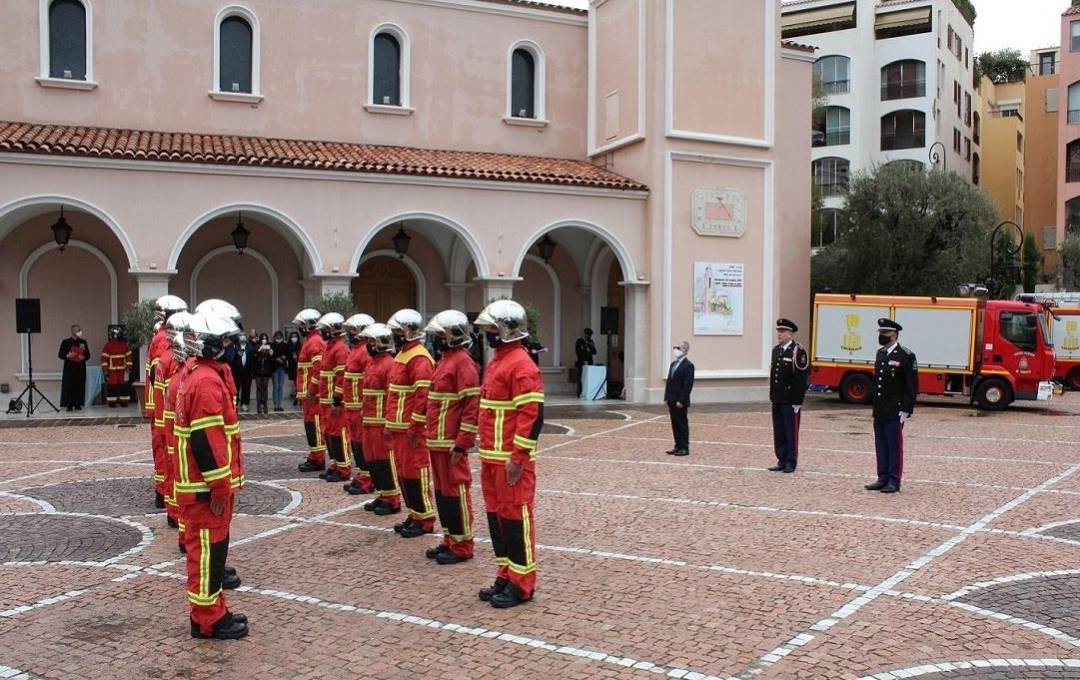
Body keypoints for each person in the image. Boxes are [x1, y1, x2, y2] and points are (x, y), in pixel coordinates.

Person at [174, 311, 248, 640]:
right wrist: (219, 487)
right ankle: (207, 620)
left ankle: (214, 607)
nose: (230, 346)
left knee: (213, 551)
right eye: (227, 341)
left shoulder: (201, 374)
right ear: (213, 345)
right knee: (206, 553)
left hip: (202, 486)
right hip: (206, 489)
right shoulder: (205, 380)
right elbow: (207, 441)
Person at [475, 299, 544, 608]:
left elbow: (532, 416)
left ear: (505, 330)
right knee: (498, 520)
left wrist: (518, 458)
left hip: (510, 462)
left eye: (491, 328)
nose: (487, 333)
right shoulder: (498, 361)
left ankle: (522, 584)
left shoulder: (521, 364)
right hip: (491, 458)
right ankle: (505, 573)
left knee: (516, 519)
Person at [423, 310, 481, 565]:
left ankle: (462, 544)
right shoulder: (444, 360)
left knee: (456, 492)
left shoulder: (463, 363)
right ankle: (450, 538)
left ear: (453, 336)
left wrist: (462, 443)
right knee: (443, 493)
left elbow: (471, 406)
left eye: (441, 334)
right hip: (437, 440)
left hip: (450, 444)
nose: (437, 338)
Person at [386, 309, 436, 539]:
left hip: (411, 430)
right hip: (399, 428)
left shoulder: (419, 358)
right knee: (404, 474)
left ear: (409, 331)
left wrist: (416, 428)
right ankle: (414, 513)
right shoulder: (402, 355)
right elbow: (395, 394)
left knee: (417, 472)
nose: (394, 335)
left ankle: (425, 518)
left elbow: (422, 397)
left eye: (398, 331)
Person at [865, 319, 918, 495]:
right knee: (881, 444)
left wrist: (906, 409)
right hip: (880, 408)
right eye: (880, 332)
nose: (881, 336)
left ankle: (894, 480)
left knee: (894, 445)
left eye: (885, 333)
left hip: (895, 409)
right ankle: (882, 477)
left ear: (894, 334)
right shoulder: (880, 353)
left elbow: (911, 385)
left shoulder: (906, 355)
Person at [148, 295, 189, 508]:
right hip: (166, 411)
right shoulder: (166, 341)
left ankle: (163, 493)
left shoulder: (159, 338)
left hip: (159, 409)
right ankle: (167, 496)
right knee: (169, 454)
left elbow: (153, 377)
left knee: (162, 452)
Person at [359, 323, 402, 516]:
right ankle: (383, 493)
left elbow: (391, 396)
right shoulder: (372, 362)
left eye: (371, 341)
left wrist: (388, 422)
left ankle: (393, 499)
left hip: (380, 422)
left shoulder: (388, 364)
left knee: (384, 460)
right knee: (373, 460)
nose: (368, 344)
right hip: (369, 420)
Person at [768, 319, 809, 474]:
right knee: (779, 431)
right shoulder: (776, 350)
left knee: (790, 432)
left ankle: (791, 461)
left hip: (790, 400)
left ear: (790, 334)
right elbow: (774, 376)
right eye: (778, 331)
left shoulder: (798, 351)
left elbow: (800, 378)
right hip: (777, 399)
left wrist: (798, 401)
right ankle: (781, 459)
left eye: (783, 331)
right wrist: (772, 396)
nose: (779, 334)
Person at [314, 313, 352, 483]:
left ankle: (344, 468)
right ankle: (335, 464)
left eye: (324, 329)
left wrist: (337, 399)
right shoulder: (330, 346)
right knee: (329, 434)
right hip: (325, 400)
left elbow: (341, 377)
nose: (322, 332)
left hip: (334, 402)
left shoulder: (341, 349)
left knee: (338, 434)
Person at [342, 313, 376, 496]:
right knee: (356, 443)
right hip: (352, 405)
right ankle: (363, 475)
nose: (350, 333)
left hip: (360, 406)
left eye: (354, 330)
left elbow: (369, 380)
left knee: (363, 443)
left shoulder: (364, 351)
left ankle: (368, 478)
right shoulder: (356, 349)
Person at [294, 309, 327, 472]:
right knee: (310, 425)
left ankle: (318, 458)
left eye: (301, 324)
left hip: (312, 395)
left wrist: (312, 391)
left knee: (314, 425)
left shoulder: (314, 342)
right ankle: (315, 454)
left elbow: (318, 368)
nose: (299, 327)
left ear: (308, 324)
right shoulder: (311, 340)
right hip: (307, 394)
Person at [664, 340, 694, 457]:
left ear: (685, 351)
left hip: (680, 400)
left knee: (682, 423)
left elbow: (687, 386)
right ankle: (677, 445)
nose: (676, 350)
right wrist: (666, 397)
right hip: (672, 399)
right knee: (674, 423)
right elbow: (669, 382)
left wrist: (681, 400)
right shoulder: (673, 364)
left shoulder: (688, 366)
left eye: (679, 348)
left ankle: (684, 447)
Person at [58, 324, 90, 411]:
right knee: (69, 386)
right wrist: (68, 356)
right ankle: (69, 405)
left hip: (80, 368)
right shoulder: (65, 342)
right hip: (69, 369)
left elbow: (88, 355)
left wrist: (83, 357)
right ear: (72, 331)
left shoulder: (83, 342)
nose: (79, 332)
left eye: (80, 330)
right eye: (77, 330)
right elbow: (60, 354)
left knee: (79, 385)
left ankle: (78, 404)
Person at [100, 326, 133, 407]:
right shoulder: (108, 345)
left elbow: (128, 357)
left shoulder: (124, 345)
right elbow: (104, 358)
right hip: (112, 370)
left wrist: (128, 367)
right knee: (112, 386)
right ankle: (112, 402)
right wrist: (105, 369)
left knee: (123, 386)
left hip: (123, 369)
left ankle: (123, 401)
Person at [230, 334, 254, 412]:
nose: (242, 337)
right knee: (236, 389)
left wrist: (251, 372)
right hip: (237, 372)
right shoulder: (235, 346)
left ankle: (244, 404)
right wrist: (237, 355)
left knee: (246, 389)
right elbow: (231, 359)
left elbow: (252, 359)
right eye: (241, 335)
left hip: (247, 372)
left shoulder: (249, 346)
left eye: (244, 335)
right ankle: (235, 404)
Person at [252, 333, 276, 415]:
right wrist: (259, 351)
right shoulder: (257, 346)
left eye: (265, 338)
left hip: (266, 370)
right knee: (259, 388)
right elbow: (253, 357)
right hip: (258, 371)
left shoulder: (270, 346)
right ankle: (259, 406)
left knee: (264, 388)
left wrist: (271, 353)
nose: (264, 340)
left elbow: (272, 359)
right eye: (262, 338)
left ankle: (265, 405)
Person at [574, 328, 597, 396]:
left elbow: (595, 352)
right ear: (585, 334)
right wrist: (584, 359)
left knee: (589, 378)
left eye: (590, 335)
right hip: (581, 362)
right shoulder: (579, 341)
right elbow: (578, 352)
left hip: (589, 362)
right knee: (580, 378)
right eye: (588, 335)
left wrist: (591, 347)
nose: (589, 337)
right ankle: (579, 393)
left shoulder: (591, 341)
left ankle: (588, 393)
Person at [270, 331, 289, 412]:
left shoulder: (285, 345)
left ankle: (280, 405)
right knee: (276, 386)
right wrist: (276, 359)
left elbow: (288, 354)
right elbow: (270, 356)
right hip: (274, 367)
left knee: (280, 387)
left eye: (279, 336)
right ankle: (275, 405)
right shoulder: (271, 345)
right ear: (274, 337)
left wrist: (284, 358)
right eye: (276, 336)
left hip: (282, 367)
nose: (278, 337)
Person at [286, 331, 301, 406]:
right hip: (292, 367)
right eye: (292, 336)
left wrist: (297, 358)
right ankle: (297, 397)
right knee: (296, 383)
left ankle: (298, 398)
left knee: (299, 384)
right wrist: (292, 358)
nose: (294, 338)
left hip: (300, 367)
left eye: (295, 336)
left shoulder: (300, 345)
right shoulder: (288, 345)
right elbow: (287, 356)